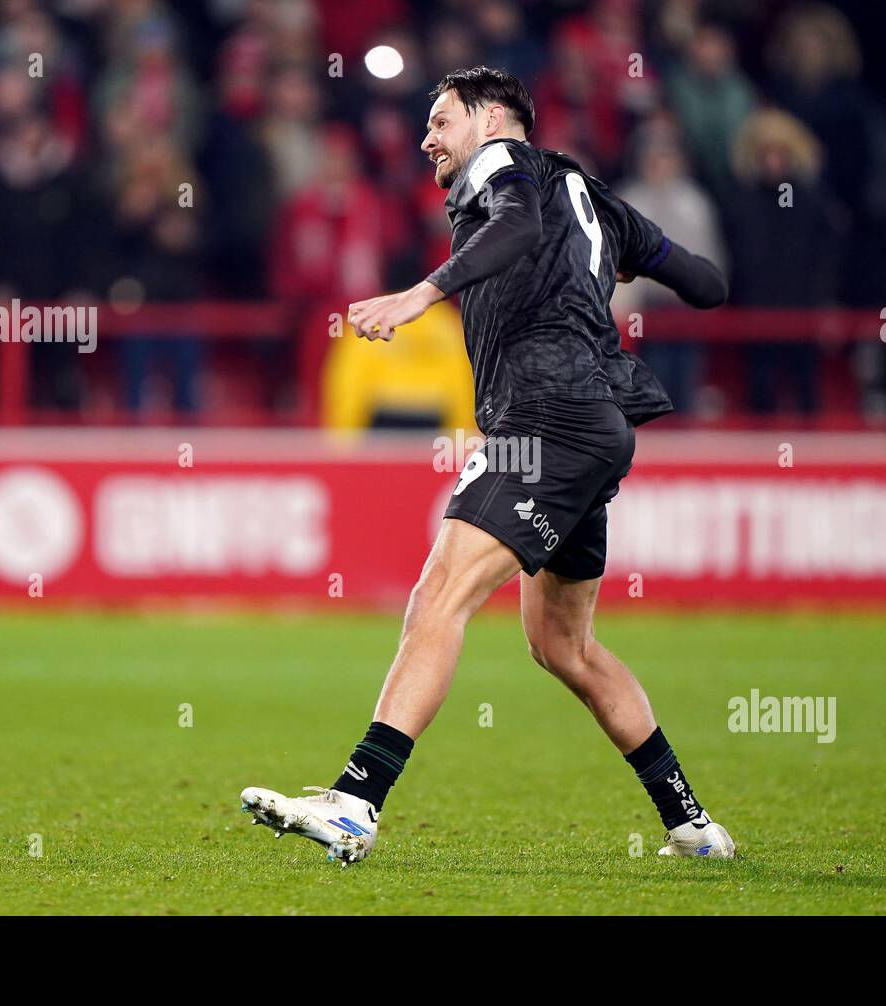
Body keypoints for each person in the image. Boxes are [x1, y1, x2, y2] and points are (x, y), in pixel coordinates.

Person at [240, 66, 732, 864]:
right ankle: (692, 825)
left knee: (439, 592)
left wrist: (420, 294)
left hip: (545, 418)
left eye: (440, 120)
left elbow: (518, 227)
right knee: (561, 648)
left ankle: (357, 801)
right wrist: (620, 258)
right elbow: (708, 286)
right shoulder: (595, 198)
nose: (428, 139)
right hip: (600, 422)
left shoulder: (501, 162)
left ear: (495, 117)